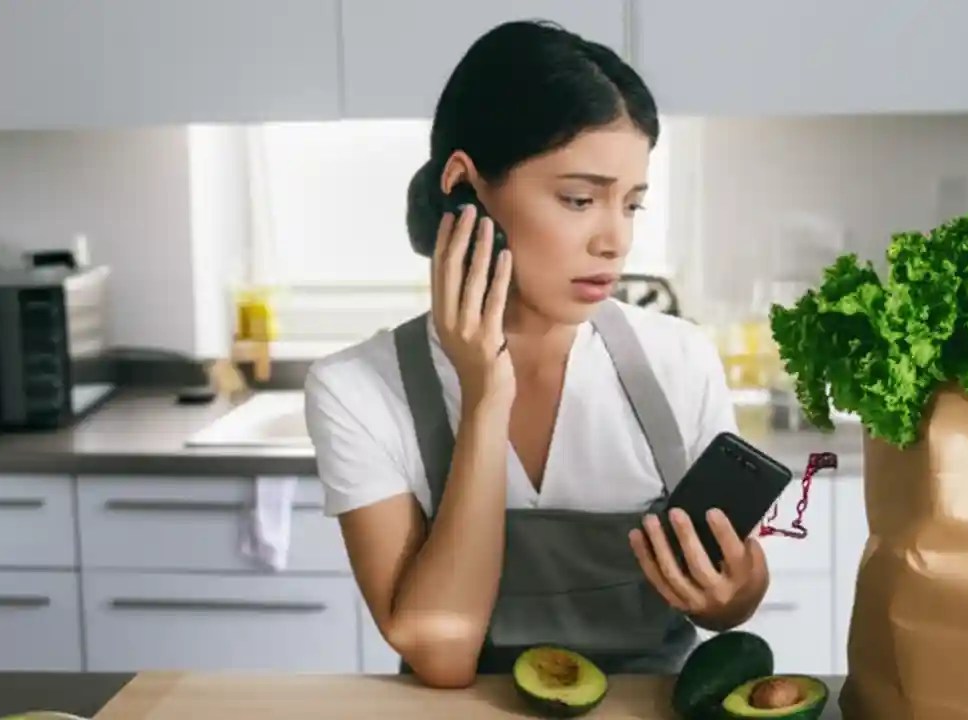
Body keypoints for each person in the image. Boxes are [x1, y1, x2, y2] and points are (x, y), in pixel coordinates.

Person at [304, 19, 770, 688]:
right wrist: (484, 394)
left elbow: (729, 603)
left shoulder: (679, 359)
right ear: (465, 186)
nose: (615, 241)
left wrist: (737, 592)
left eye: (632, 204)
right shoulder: (356, 389)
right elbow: (441, 653)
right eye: (579, 199)